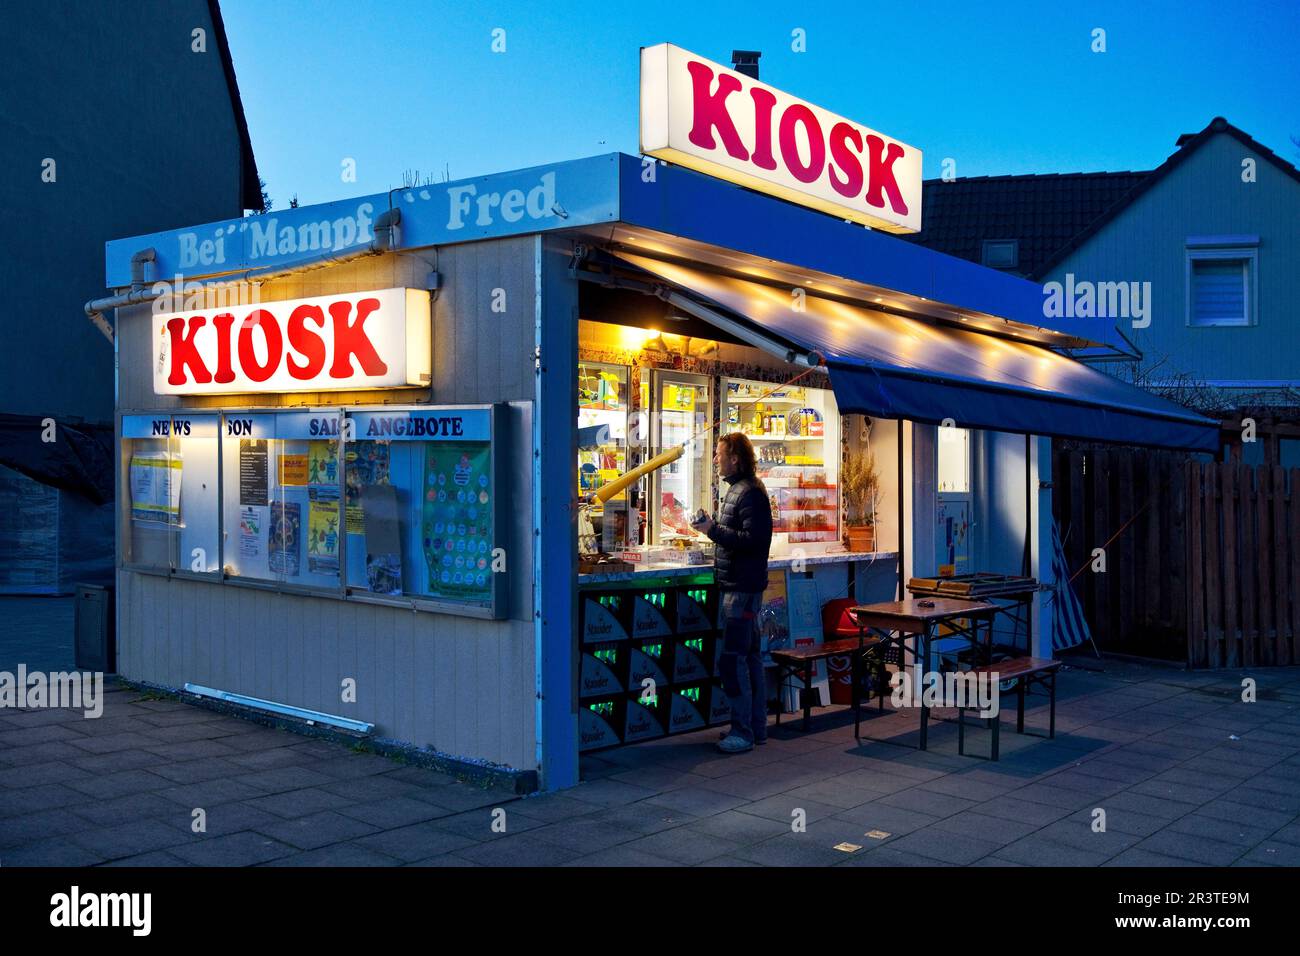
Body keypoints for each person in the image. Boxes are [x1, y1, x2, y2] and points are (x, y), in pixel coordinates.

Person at [691, 432, 773, 754]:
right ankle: (757, 727)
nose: (715, 459)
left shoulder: (748, 493)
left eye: (719, 453)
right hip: (743, 586)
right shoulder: (743, 490)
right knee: (750, 656)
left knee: (733, 660)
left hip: (741, 590)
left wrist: (712, 530)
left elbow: (752, 540)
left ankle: (743, 732)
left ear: (734, 458)